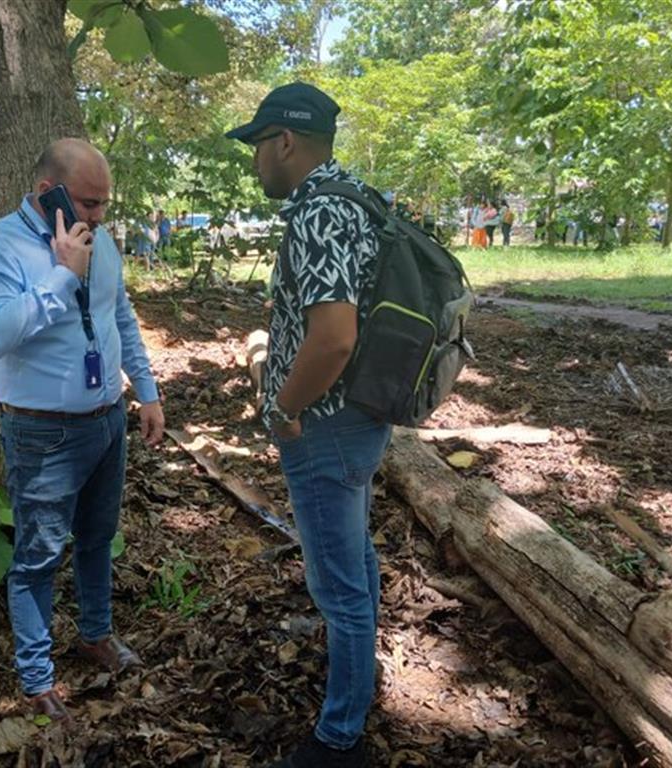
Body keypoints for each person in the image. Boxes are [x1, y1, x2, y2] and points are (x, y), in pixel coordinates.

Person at [0, 137, 164, 722]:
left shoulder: (102, 242)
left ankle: (96, 634)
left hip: (107, 422)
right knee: (38, 556)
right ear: (48, 193)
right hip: (41, 434)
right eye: (88, 203)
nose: (100, 217)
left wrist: (145, 391)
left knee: (98, 538)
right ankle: (36, 677)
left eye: (105, 204)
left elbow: (117, 314)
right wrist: (59, 277)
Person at [226, 82, 392, 768]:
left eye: (258, 146)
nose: (255, 161)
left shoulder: (320, 211)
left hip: (324, 422)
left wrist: (284, 409)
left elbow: (333, 339)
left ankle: (338, 740)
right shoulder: (357, 196)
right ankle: (361, 678)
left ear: (284, 141)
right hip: (361, 415)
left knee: (338, 583)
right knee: (355, 559)